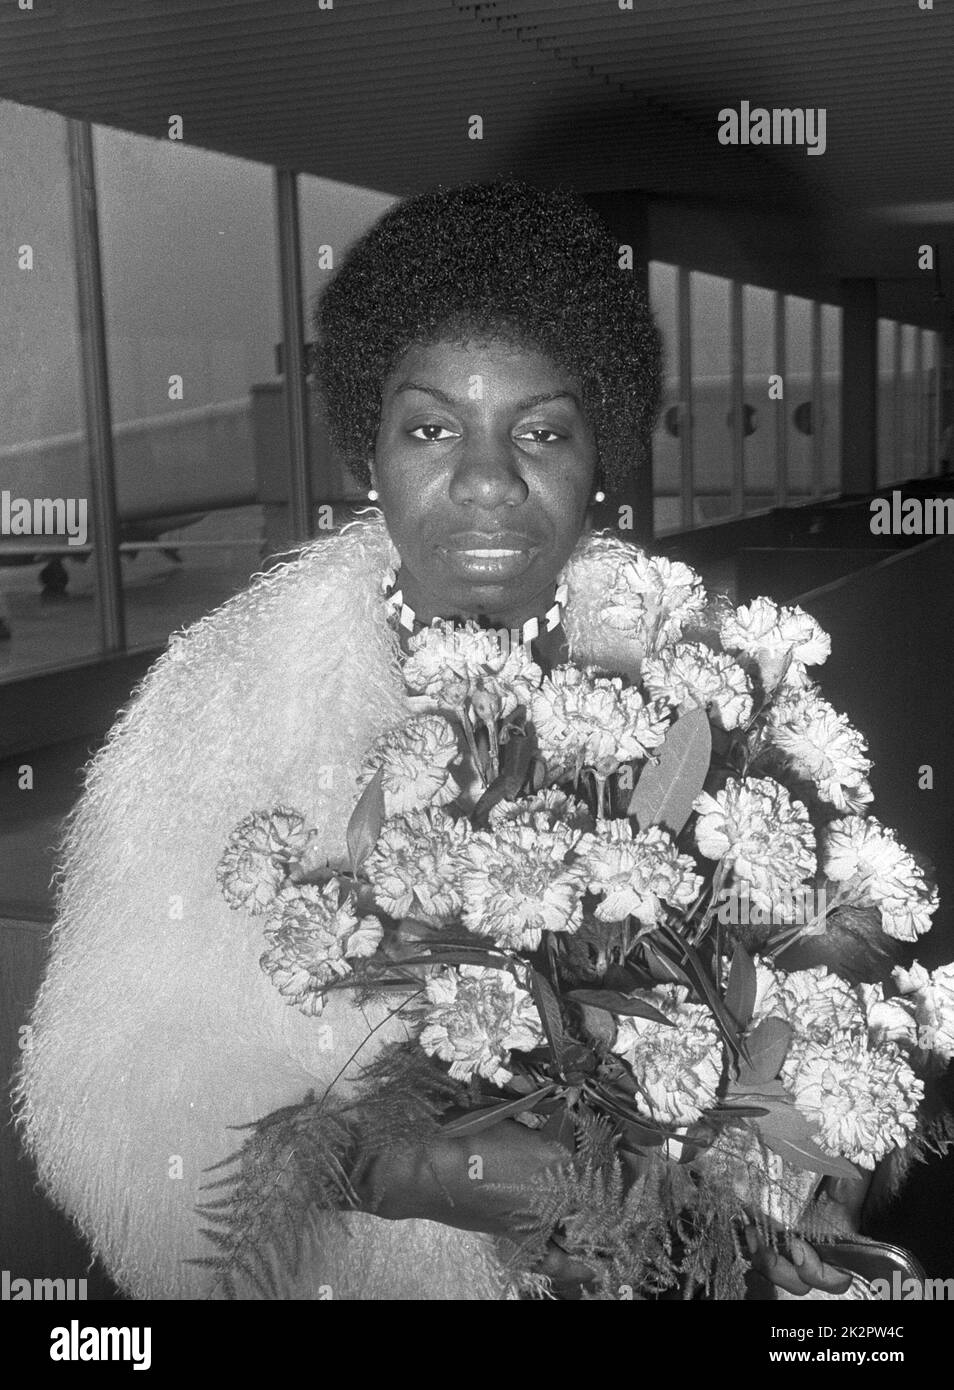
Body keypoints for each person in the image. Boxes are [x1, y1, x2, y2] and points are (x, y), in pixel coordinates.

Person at [13, 179, 858, 1300]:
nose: (486, 480)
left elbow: (832, 1006)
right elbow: (104, 1087)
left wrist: (789, 1182)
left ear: (599, 456)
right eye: (430, 428)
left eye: (542, 430)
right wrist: (413, 1170)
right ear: (369, 454)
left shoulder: (708, 685)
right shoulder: (214, 705)